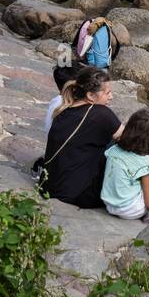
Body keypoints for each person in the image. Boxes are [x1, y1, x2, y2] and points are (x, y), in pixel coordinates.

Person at [39, 67, 123, 208]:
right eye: (107, 93)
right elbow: (132, 139)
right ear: (90, 96)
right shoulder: (101, 114)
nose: (111, 97)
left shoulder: (64, 108)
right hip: (77, 194)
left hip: (48, 186)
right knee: (118, 145)